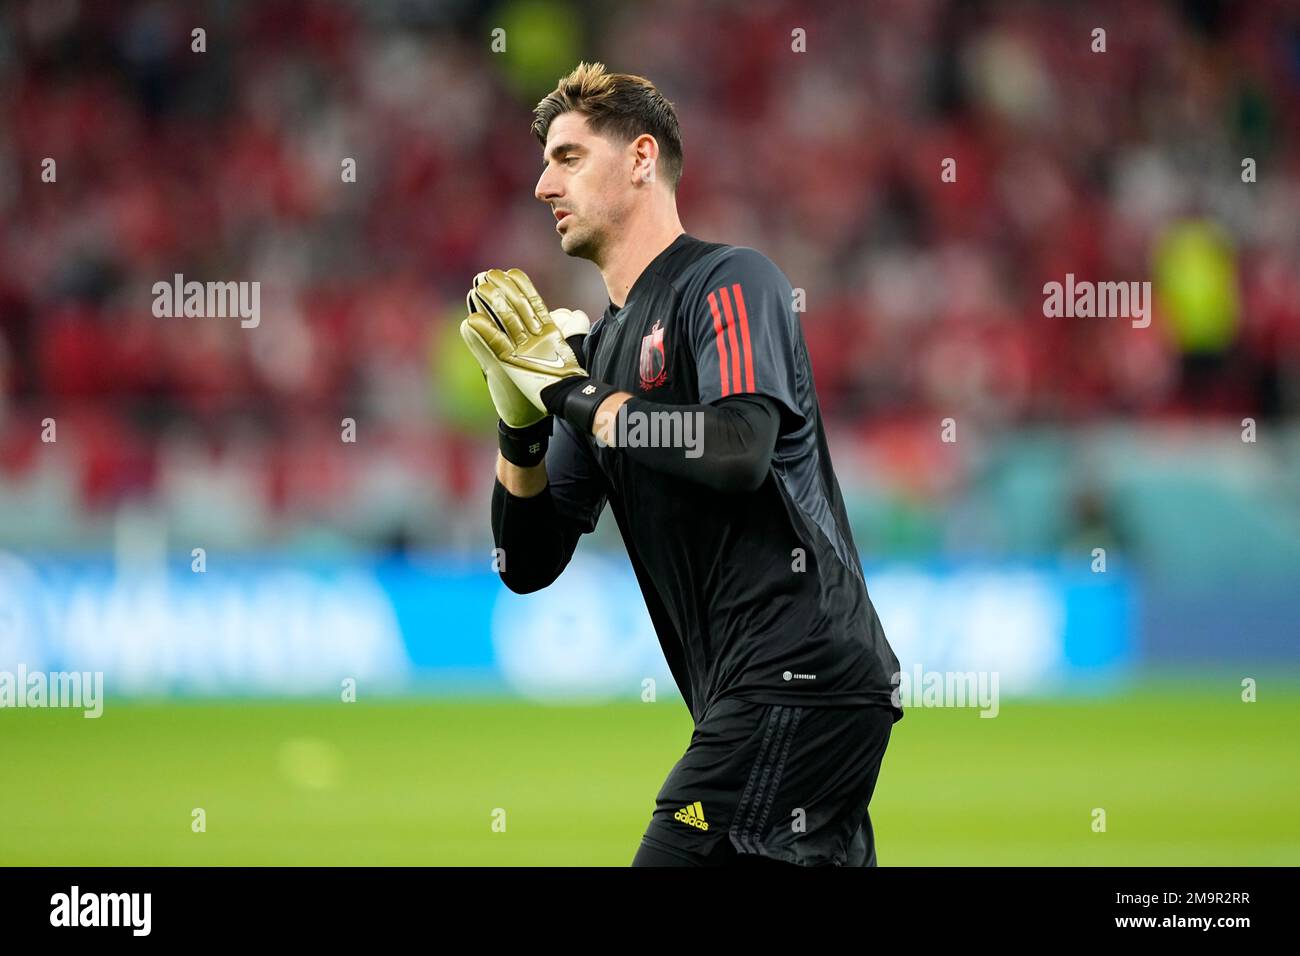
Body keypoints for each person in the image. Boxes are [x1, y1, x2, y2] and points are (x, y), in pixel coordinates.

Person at [461, 61, 902, 867]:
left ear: (639, 158)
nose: (541, 185)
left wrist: (572, 396)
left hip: (797, 672)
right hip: (767, 692)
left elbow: (737, 447)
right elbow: (524, 562)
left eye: (567, 157)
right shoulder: (598, 355)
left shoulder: (731, 280)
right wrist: (522, 425)